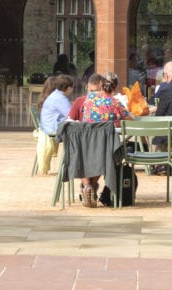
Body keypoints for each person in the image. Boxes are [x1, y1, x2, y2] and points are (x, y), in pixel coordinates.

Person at [77, 72, 132, 206]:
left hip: (86, 143)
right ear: (115, 87)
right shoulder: (115, 102)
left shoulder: (89, 100)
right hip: (104, 145)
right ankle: (92, 185)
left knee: (83, 160)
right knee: (106, 160)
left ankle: (87, 187)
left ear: (101, 85)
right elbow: (130, 118)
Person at [37, 74, 74, 175]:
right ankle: (74, 165)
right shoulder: (60, 98)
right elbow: (71, 114)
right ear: (68, 87)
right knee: (78, 133)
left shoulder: (55, 95)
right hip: (52, 129)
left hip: (46, 127)